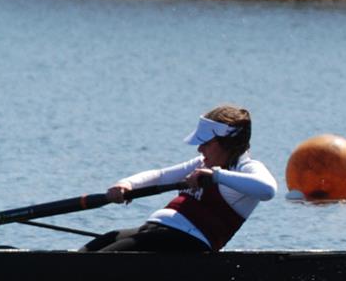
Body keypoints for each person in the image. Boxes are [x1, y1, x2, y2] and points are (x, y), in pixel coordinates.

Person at [85, 105, 277, 252]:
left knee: (108, 256)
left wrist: (216, 176)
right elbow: (159, 176)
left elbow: (268, 190)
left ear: (228, 143)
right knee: (107, 239)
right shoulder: (201, 164)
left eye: (206, 143)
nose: (200, 149)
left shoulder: (247, 168)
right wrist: (126, 184)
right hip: (155, 232)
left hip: (189, 242)